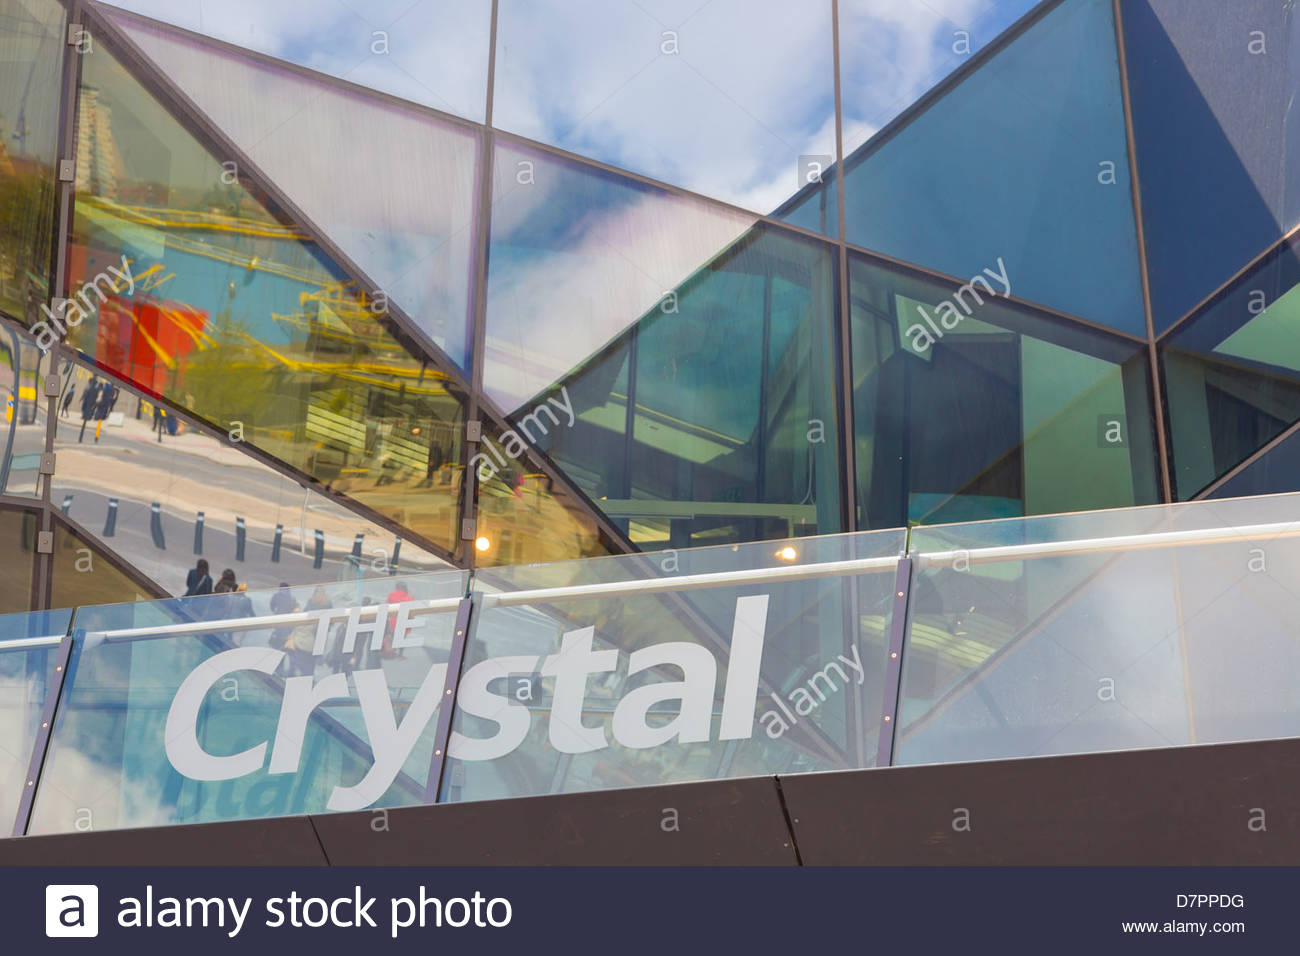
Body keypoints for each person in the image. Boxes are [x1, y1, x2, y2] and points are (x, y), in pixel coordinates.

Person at [382, 581, 414, 659]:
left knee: (392, 637)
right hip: (404, 622)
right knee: (402, 639)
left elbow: (386, 606)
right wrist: (411, 621)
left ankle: (391, 653)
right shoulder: (409, 597)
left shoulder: (391, 595)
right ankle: (400, 654)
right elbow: (411, 611)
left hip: (393, 622)